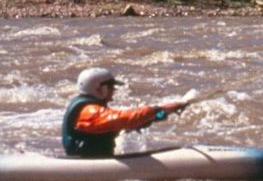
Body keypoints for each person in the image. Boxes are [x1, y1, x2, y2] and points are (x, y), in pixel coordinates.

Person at [62, 67, 191, 157]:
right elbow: (125, 119)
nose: (114, 91)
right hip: (88, 162)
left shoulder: (94, 108)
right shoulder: (89, 111)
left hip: (95, 158)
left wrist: (164, 113)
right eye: (111, 87)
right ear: (100, 89)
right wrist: (160, 109)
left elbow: (133, 121)